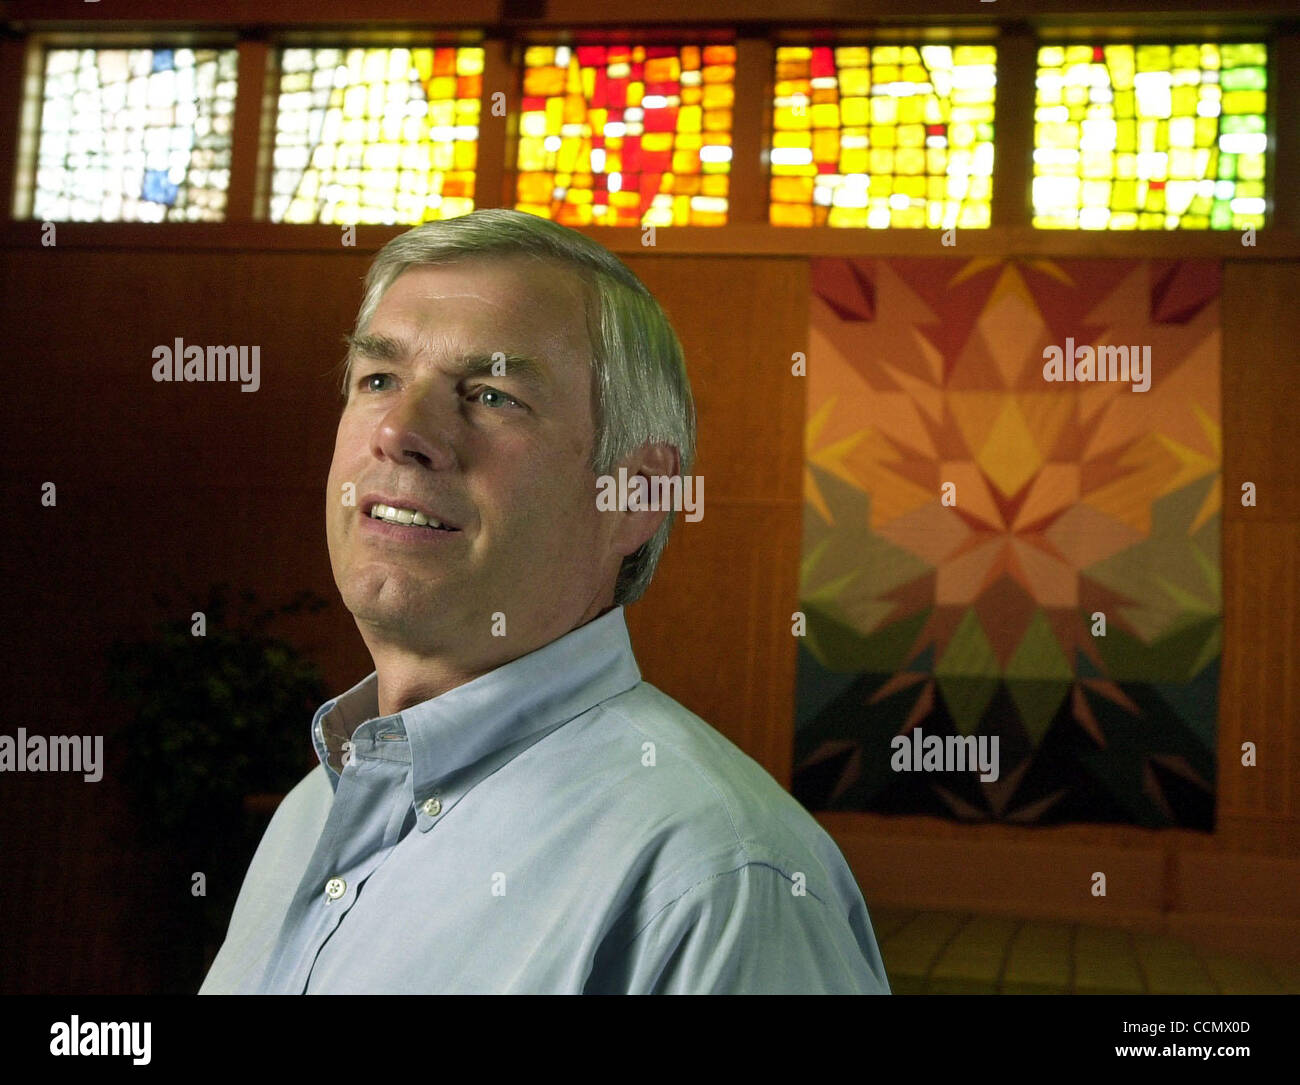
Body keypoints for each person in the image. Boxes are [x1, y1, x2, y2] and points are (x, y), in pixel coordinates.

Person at [199, 208, 891, 994]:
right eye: (380, 378)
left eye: (492, 395)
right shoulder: (310, 813)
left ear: (636, 493)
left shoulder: (718, 881)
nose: (399, 429)